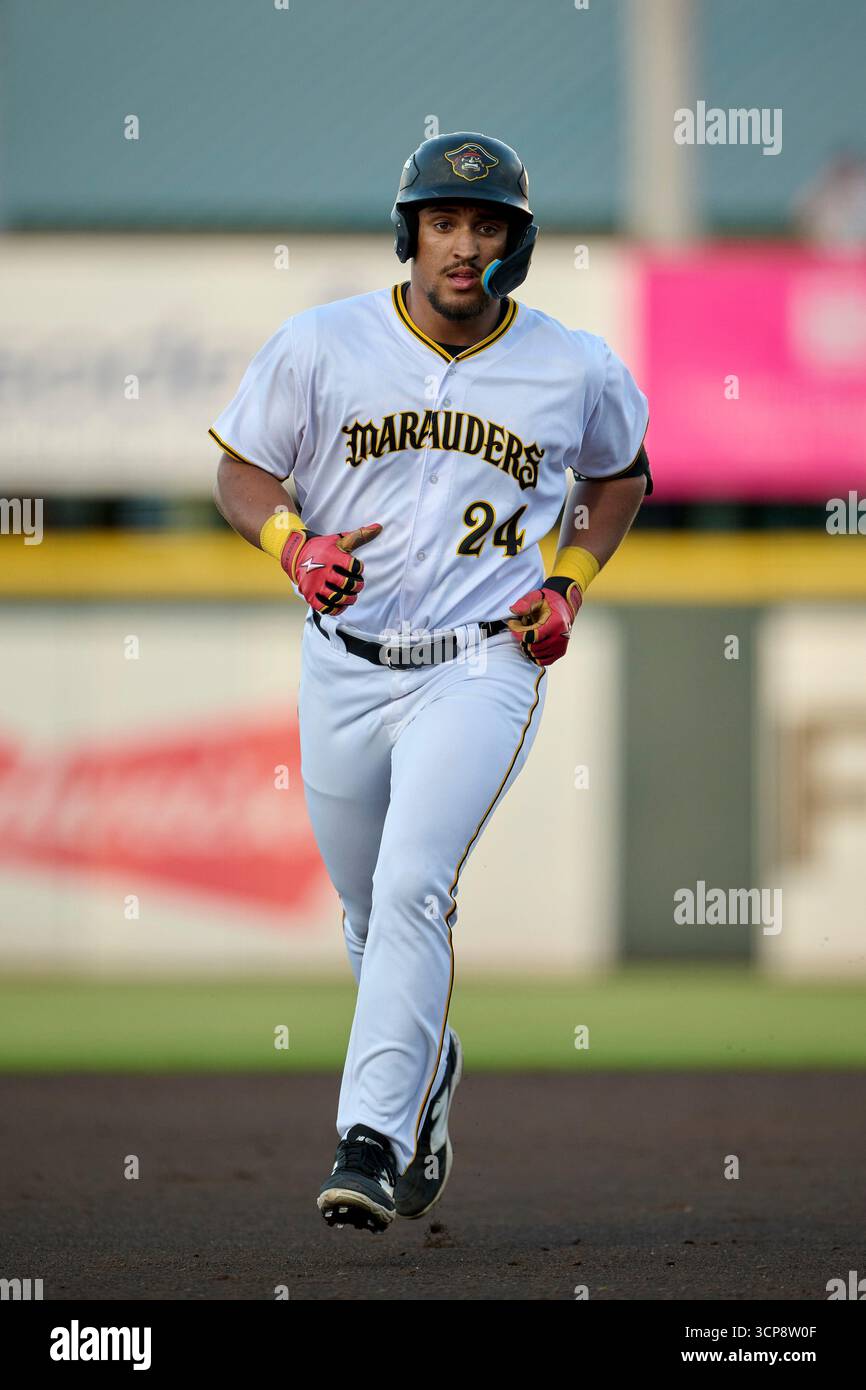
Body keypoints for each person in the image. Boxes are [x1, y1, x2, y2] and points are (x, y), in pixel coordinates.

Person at [211, 132, 651, 1233]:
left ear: (518, 242)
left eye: (487, 224)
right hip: (343, 663)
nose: (464, 244)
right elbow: (240, 463)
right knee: (368, 916)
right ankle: (427, 1070)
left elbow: (620, 474)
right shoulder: (322, 342)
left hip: (479, 662)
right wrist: (287, 541)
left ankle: (370, 1139)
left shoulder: (571, 362)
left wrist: (568, 579)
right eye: (444, 222)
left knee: (413, 883)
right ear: (409, 232)